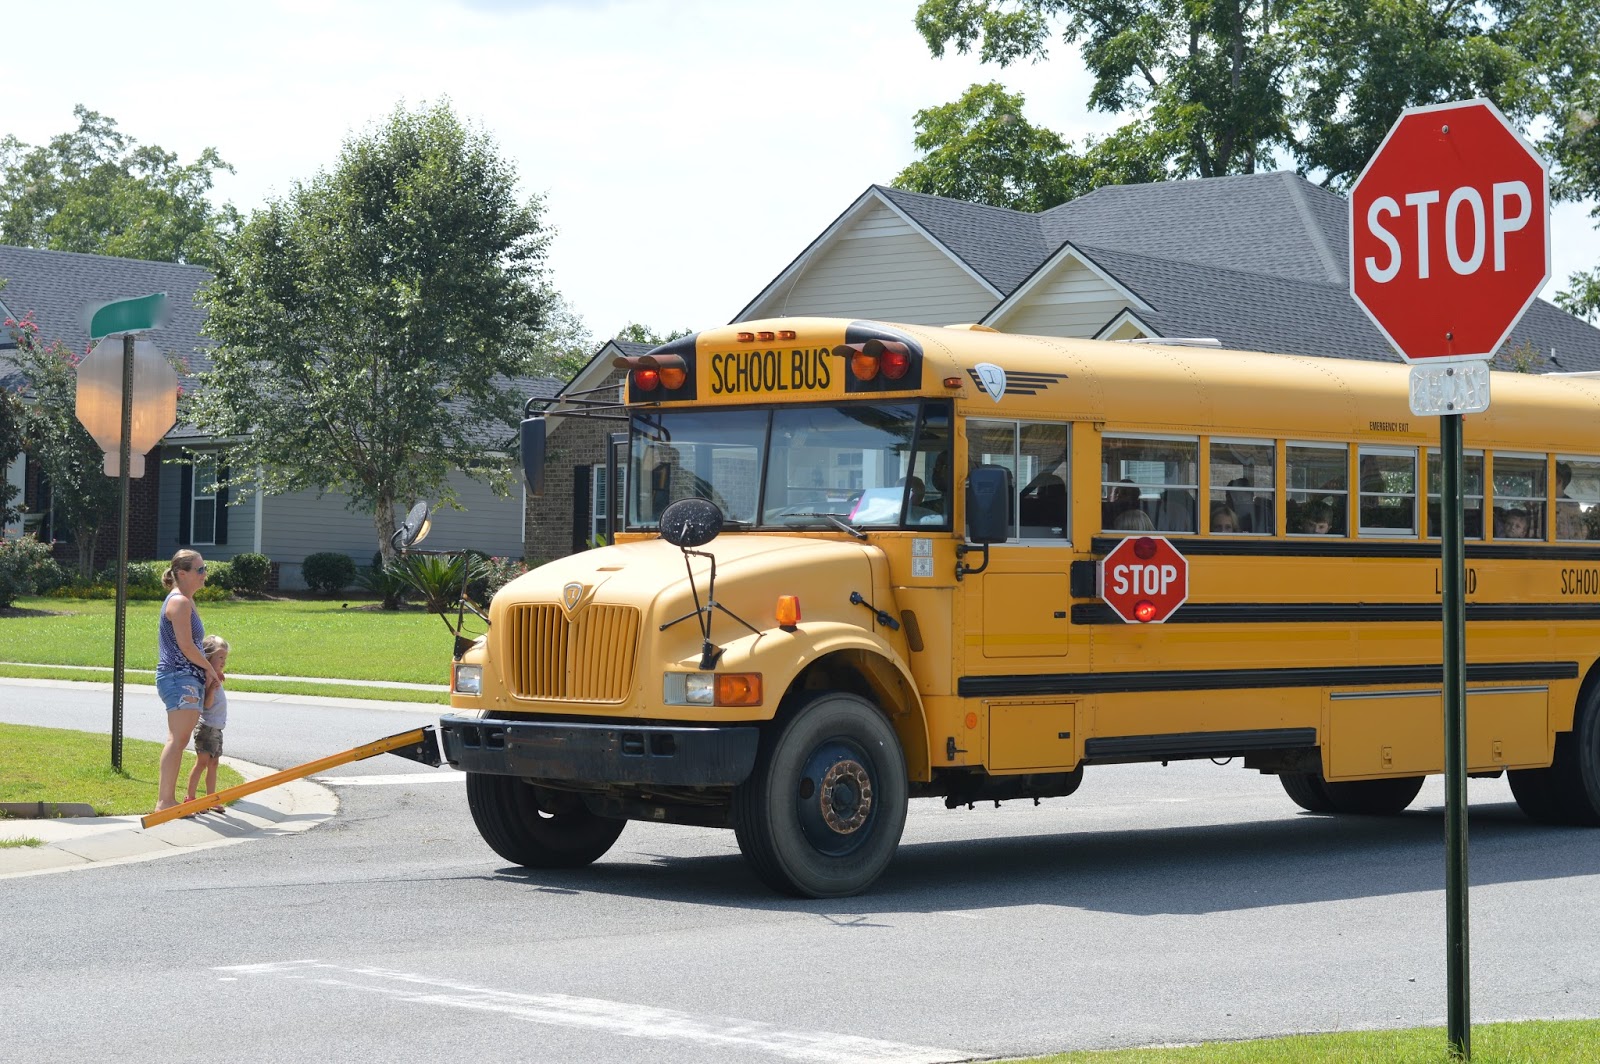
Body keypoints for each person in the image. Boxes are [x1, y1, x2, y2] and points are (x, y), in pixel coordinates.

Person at [154, 550, 217, 813]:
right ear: (182, 573)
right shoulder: (179, 602)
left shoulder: (185, 601)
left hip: (184, 677)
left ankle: (167, 800)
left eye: (204, 568)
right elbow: (187, 647)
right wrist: (209, 670)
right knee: (177, 739)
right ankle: (165, 801)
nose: (204, 574)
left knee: (178, 739)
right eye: (199, 570)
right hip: (179, 677)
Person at [185, 635, 230, 808]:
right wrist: (212, 687)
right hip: (206, 727)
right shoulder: (206, 678)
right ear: (207, 657)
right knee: (202, 763)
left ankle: (211, 799)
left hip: (217, 728)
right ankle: (190, 798)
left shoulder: (214, 675)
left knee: (214, 763)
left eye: (225, 657)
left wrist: (217, 676)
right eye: (220, 657)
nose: (223, 661)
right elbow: (206, 704)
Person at [1556, 462, 1587, 540]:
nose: (1542, 482)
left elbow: (1579, 532)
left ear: (1559, 481)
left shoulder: (1572, 505)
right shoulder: (1544, 502)